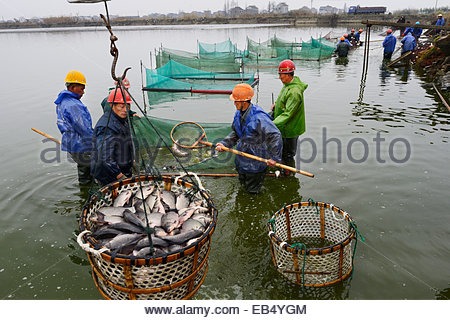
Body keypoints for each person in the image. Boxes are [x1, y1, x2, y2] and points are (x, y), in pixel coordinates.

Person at [215, 83, 282, 194]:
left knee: (252, 191)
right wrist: (224, 144)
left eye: (236, 101)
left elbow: (275, 135)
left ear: (244, 102)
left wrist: (274, 158)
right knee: (242, 184)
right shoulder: (238, 113)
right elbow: (236, 133)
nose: (234, 103)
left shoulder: (259, 117)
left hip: (257, 158)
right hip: (242, 156)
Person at [55, 70, 93, 186]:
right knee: (93, 167)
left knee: (83, 169)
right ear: (72, 88)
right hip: (81, 145)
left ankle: (84, 190)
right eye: (81, 89)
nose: (83, 92)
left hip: (71, 143)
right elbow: (84, 129)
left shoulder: (62, 102)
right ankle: (90, 192)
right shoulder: (74, 105)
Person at [91, 87, 134, 186]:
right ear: (112, 105)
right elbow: (105, 157)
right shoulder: (106, 127)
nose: (125, 110)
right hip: (109, 174)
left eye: (127, 106)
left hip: (121, 166)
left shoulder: (121, 119)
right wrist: (119, 175)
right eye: (121, 106)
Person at [271, 59, 308, 170]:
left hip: (290, 128)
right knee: (282, 152)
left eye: (281, 75)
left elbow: (288, 114)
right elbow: (282, 97)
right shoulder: (288, 84)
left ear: (288, 75)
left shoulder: (294, 92)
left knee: (288, 154)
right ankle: (284, 170)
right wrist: (276, 105)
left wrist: (271, 124)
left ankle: (289, 174)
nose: (280, 77)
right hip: (283, 126)